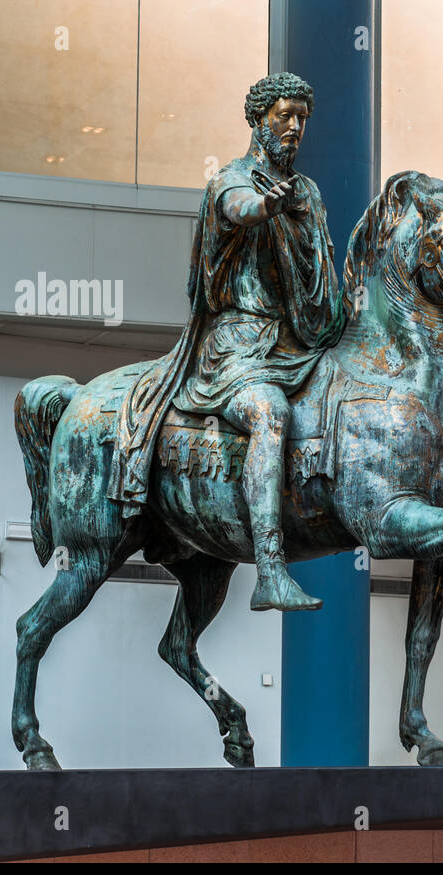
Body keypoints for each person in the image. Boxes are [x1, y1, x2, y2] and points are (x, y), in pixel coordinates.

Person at [109, 72, 344, 612]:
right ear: (259, 119)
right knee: (269, 413)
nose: (295, 127)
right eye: (284, 115)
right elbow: (239, 209)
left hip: (294, 344)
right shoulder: (231, 181)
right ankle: (269, 571)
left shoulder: (305, 191)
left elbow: (318, 276)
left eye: (302, 118)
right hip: (236, 345)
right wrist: (268, 207)